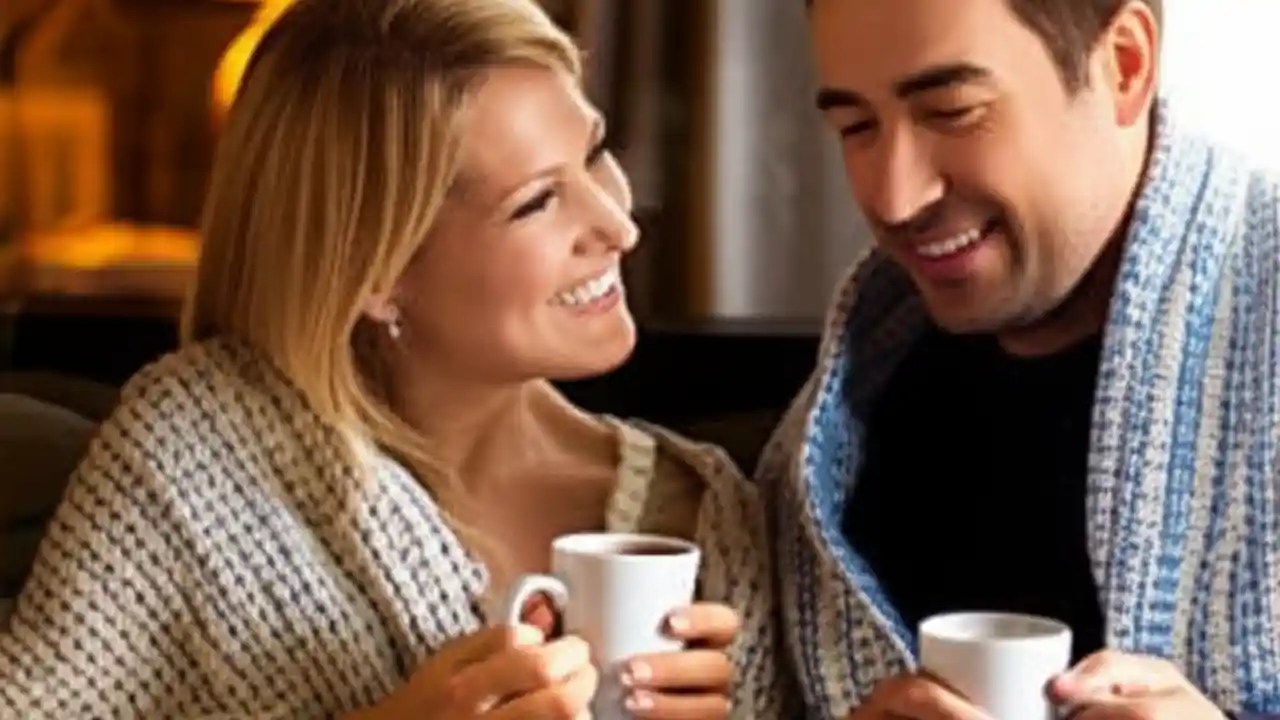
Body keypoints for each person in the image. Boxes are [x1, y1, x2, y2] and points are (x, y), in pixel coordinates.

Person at [0, 0, 790, 717]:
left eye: (594, 153)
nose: (620, 225)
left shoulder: (705, 514)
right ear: (376, 271)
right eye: (537, 202)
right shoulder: (194, 458)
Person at [760, 0, 1280, 718]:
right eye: (856, 127)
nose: (895, 197)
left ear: (1125, 64)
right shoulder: (839, 421)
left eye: (953, 112)